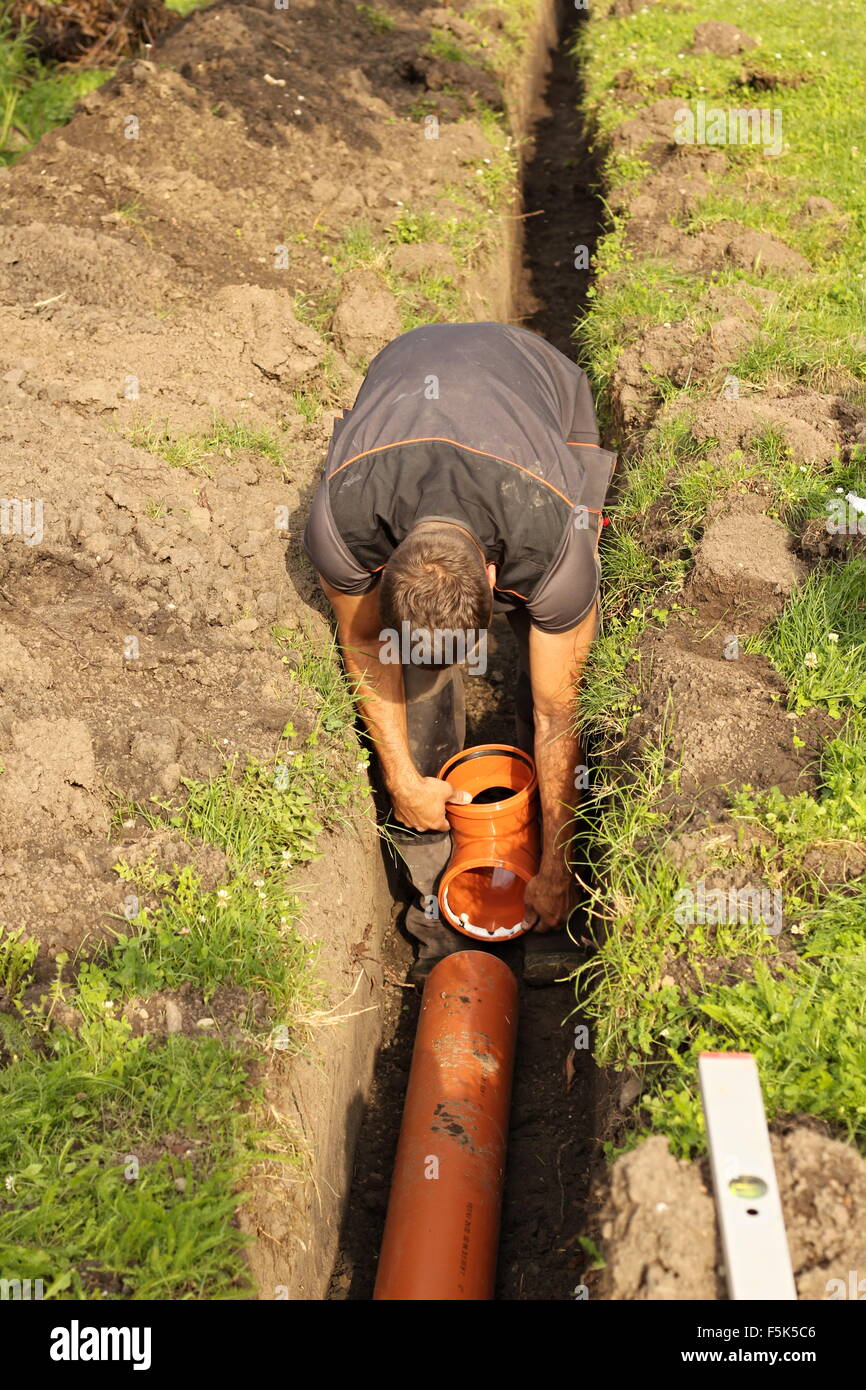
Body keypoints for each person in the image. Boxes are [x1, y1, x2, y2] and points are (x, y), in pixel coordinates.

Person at [302, 321, 616, 985]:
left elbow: (561, 710)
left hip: (541, 384)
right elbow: (363, 643)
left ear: (500, 583)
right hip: (405, 368)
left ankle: (550, 889)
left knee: (557, 671)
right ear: (383, 571)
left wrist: (559, 867)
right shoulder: (343, 522)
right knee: (412, 684)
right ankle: (433, 905)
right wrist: (402, 780)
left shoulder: (552, 543)